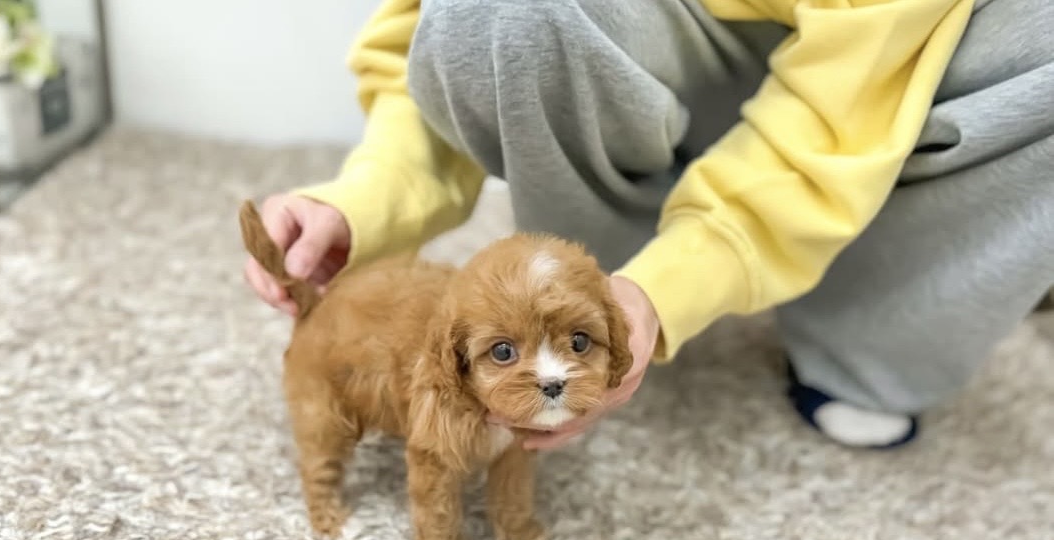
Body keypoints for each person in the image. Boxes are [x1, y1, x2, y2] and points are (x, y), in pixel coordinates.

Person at [244, 0, 1053, 451]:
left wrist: (681, 279)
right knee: (503, 11)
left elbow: (834, 123)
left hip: (902, 70)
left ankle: (874, 333)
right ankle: (592, 301)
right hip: (655, 51)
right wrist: (373, 196)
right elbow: (435, 31)